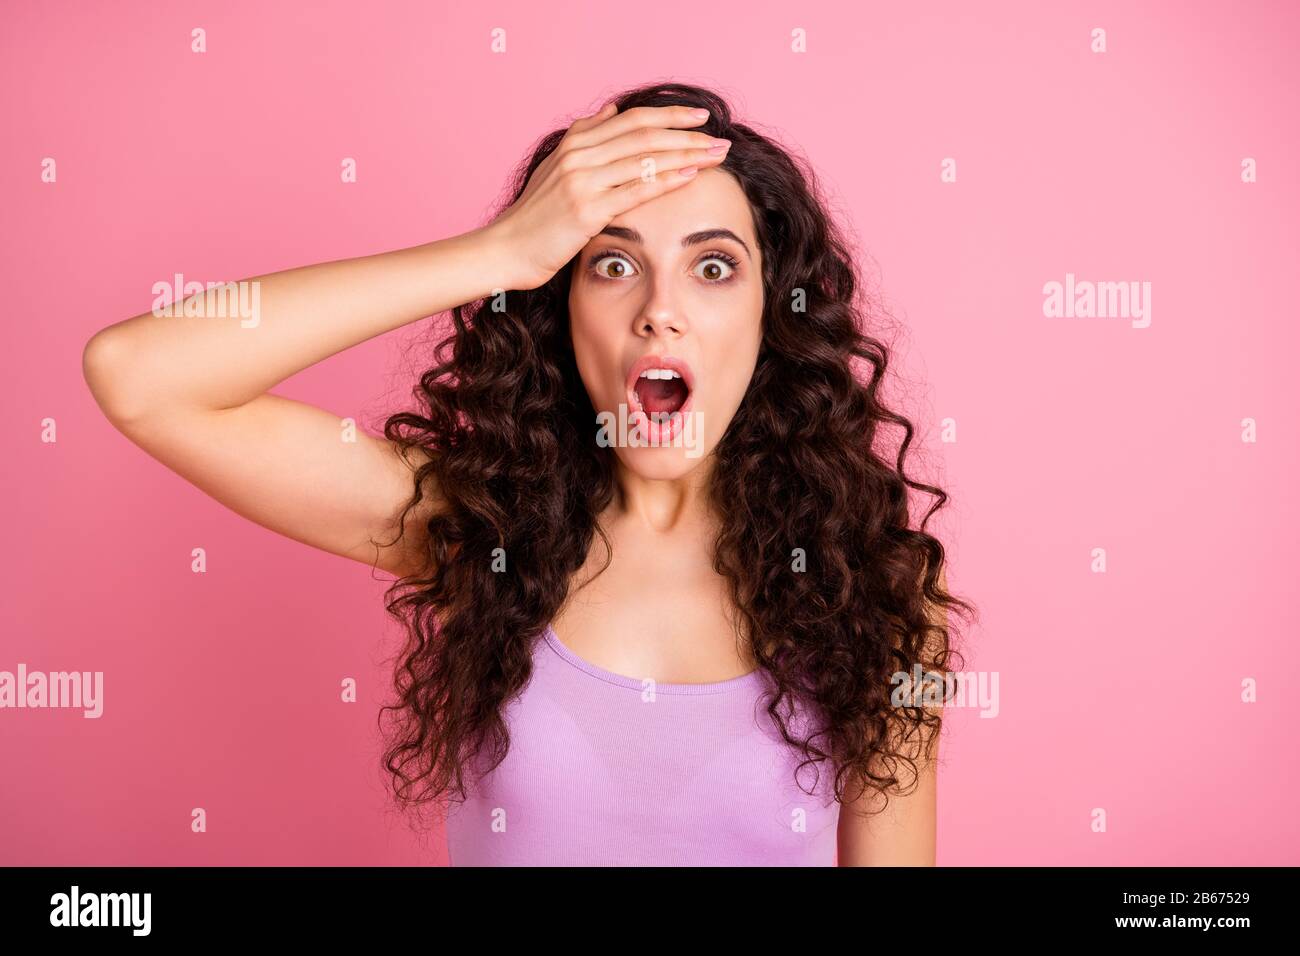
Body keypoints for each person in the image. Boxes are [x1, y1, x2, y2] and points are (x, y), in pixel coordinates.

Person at [82, 81, 972, 866]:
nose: (660, 312)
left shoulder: (884, 602)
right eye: (613, 263)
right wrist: (498, 254)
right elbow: (139, 378)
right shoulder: (477, 531)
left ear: (770, 317)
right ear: (562, 303)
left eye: (713, 268)